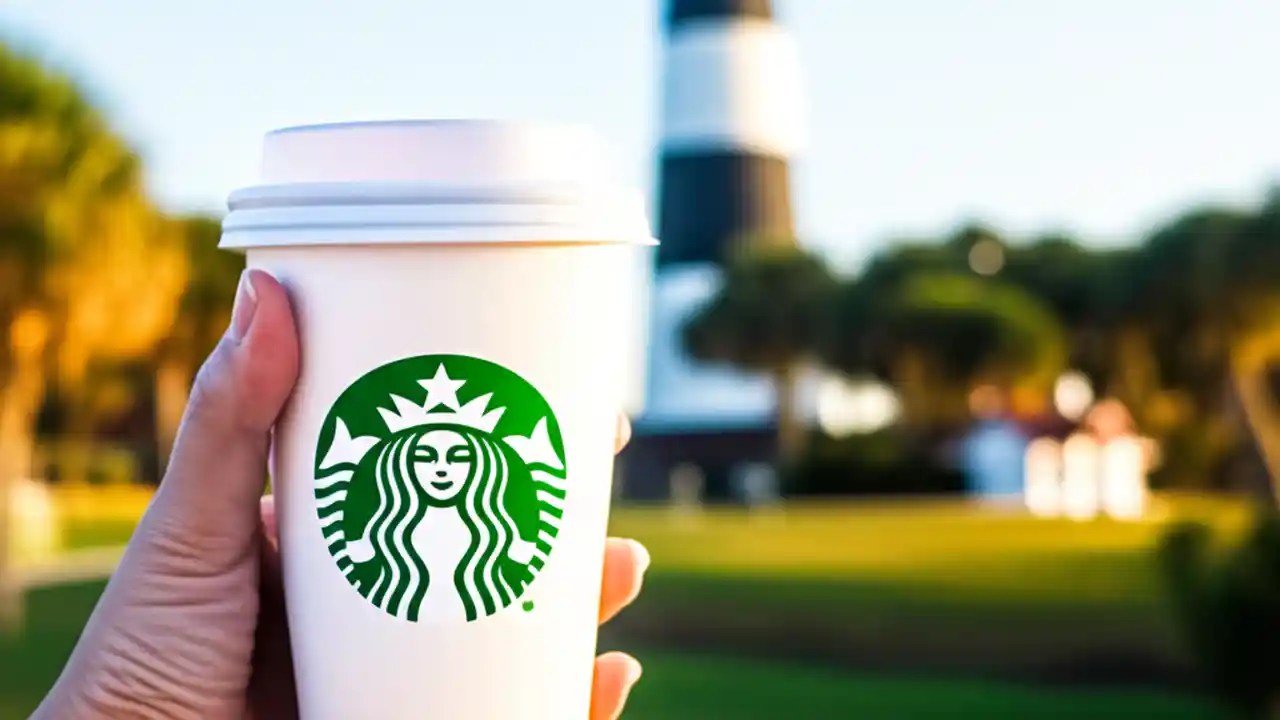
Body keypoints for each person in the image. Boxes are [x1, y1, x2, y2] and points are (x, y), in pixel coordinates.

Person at [33, 270, 648, 719]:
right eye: (424, 454)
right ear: (397, 466)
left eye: (458, 454)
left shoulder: (493, 545)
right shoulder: (386, 543)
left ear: (485, 464)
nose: (441, 468)